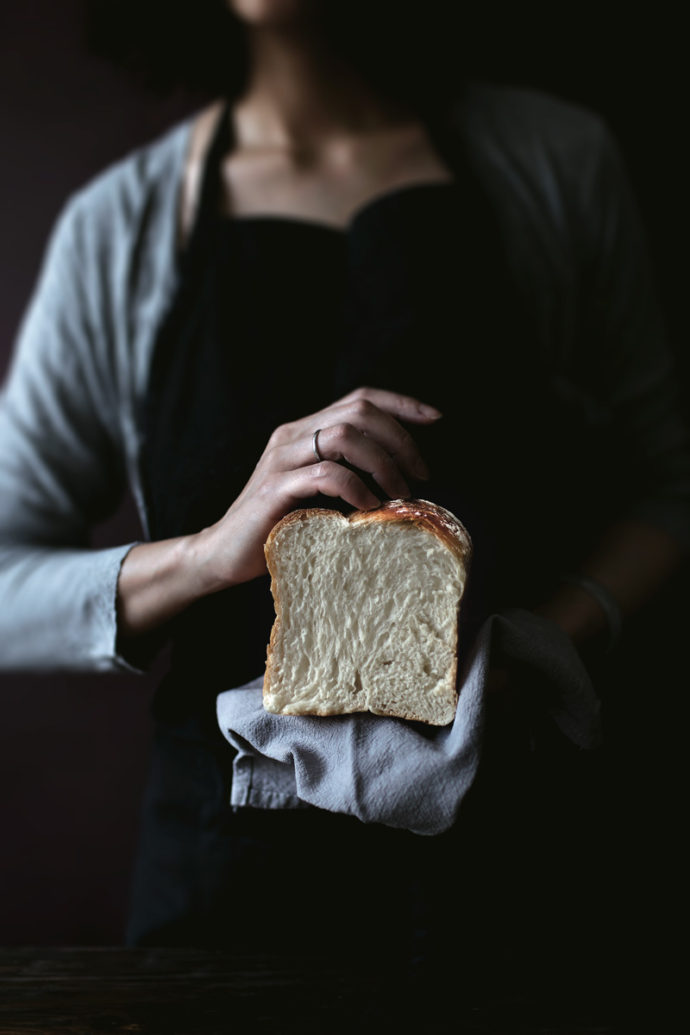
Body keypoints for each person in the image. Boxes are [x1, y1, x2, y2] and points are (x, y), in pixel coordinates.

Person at [1, 0, 688, 1003]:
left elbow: (667, 485)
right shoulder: (121, 226)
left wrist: (543, 646)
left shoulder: (554, 160)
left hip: (519, 861)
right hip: (222, 870)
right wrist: (209, 554)